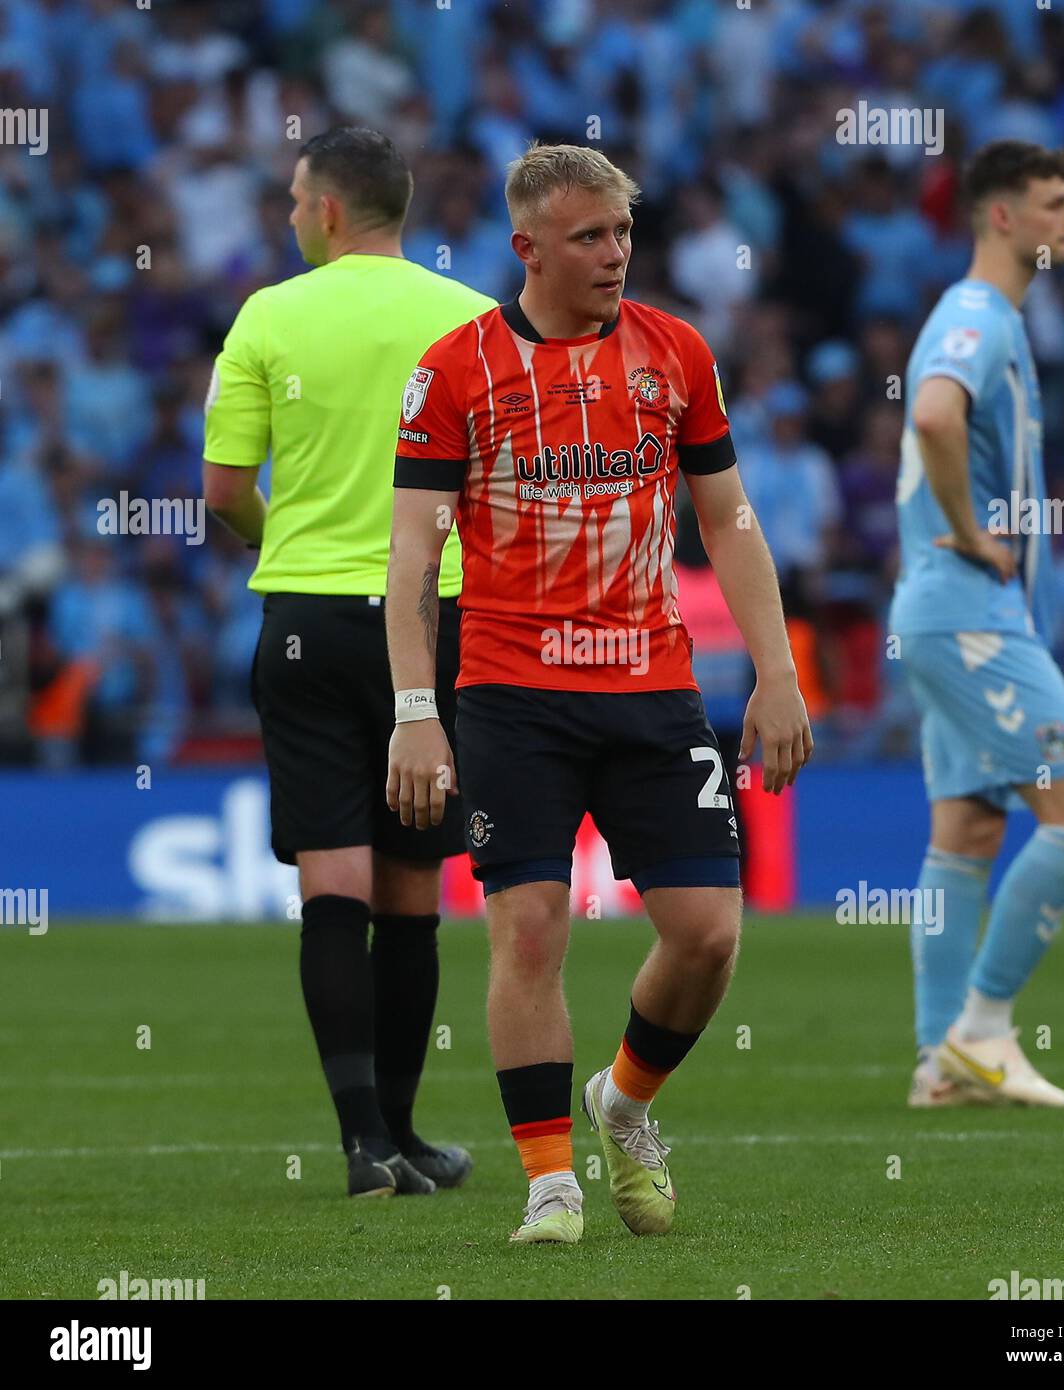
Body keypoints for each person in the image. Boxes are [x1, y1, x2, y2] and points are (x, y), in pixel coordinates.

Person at [385, 143, 813, 1243]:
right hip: (511, 693)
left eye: (623, 232)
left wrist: (776, 670)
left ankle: (623, 1102)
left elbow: (727, 519)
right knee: (527, 928)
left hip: (652, 686)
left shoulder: (676, 353)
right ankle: (550, 1184)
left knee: (709, 934)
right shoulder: (455, 372)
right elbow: (411, 564)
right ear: (527, 247)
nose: (615, 253)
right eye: (589, 237)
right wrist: (416, 712)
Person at [202, 127, 496, 1196]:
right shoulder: (469, 318)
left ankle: (364, 1140)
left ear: (327, 210)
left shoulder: (270, 314)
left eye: (292, 200)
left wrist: (277, 543)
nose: (288, 216)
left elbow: (226, 488)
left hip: (308, 622)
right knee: (414, 889)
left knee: (334, 885)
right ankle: (412, 1131)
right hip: (436, 615)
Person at [891, 141, 1064, 1109]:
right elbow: (935, 418)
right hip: (969, 609)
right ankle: (983, 1029)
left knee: (970, 827)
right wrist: (975, 533)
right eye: (1056, 205)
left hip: (941, 611)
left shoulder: (990, 316)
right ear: (1002, 217)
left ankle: (941, 1060)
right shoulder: (978, 316)